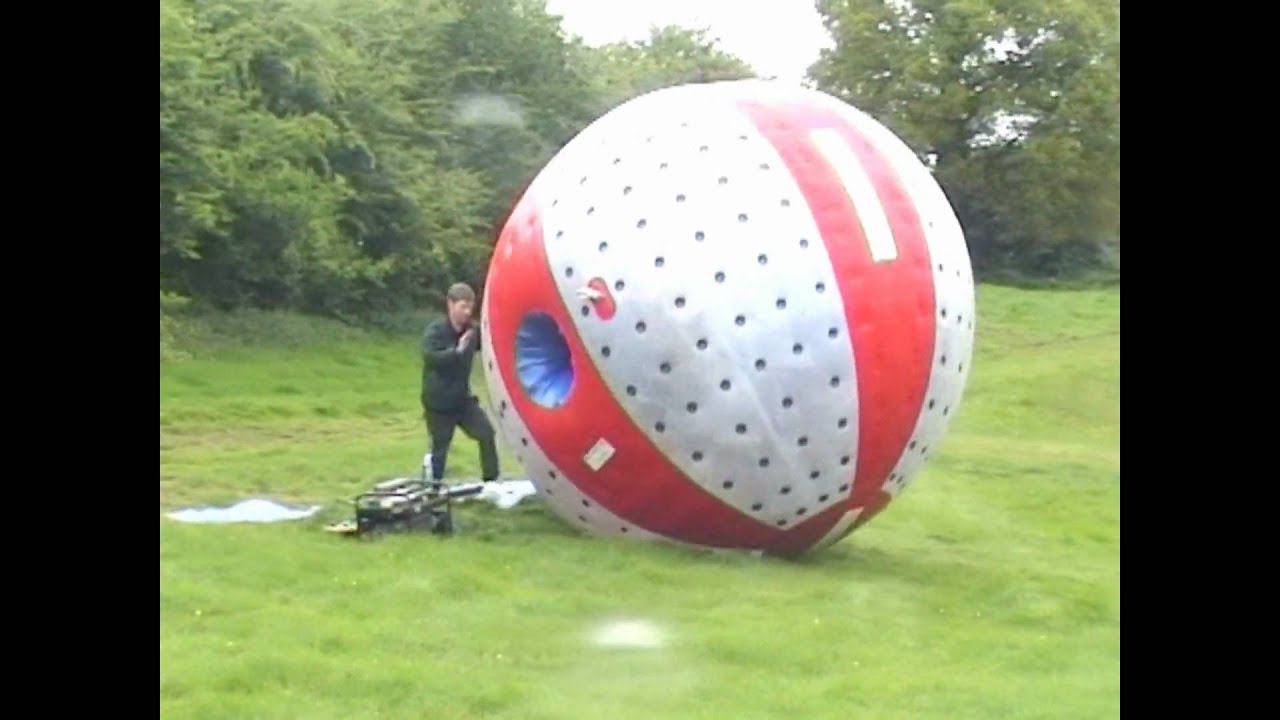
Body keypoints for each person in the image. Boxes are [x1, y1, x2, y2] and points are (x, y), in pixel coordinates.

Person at [420, 282, 499, 485]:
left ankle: (491, 483)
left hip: (462, 400)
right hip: (438, 403)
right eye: (463, 307)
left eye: (470, 307)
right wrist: (456, 352)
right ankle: (433, 486)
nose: (467, 312)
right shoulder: (436, 331)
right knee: (440, 449)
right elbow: (430, 357)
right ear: (450, 304)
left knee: (486, 433)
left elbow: (491, 341)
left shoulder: (472, 332)